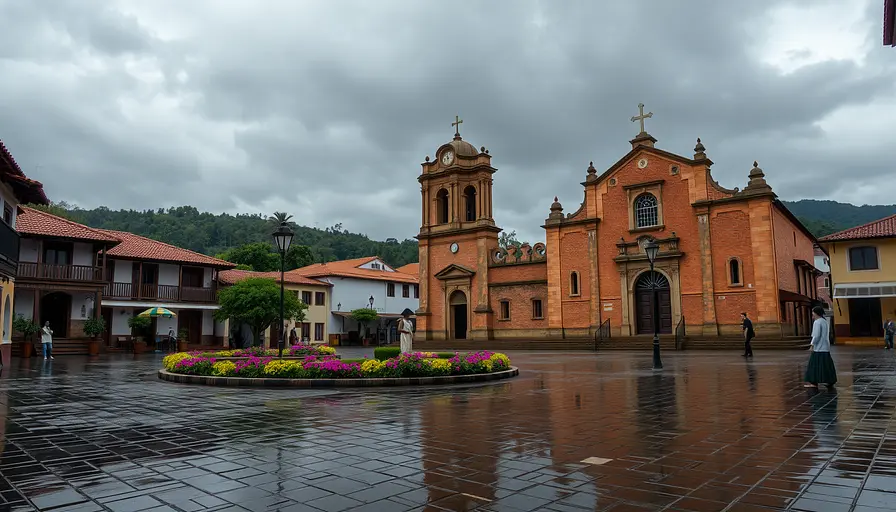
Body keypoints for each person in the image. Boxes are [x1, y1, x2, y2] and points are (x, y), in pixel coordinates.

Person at [805, 305, 836, 389]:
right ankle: (830, 380)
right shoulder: (824, 321)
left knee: (814, 365)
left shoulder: (817, 322)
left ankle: (814, 382)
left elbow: (816, 335)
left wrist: (812, 344)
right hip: (825, 346)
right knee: (826, 364)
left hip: (819, 348)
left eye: (813, 312)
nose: (812, 314)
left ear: (816, 313)